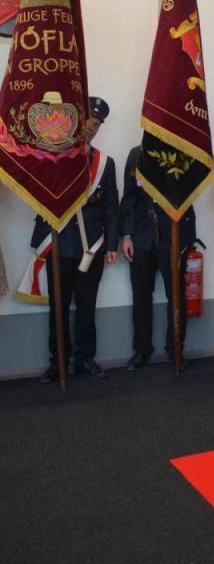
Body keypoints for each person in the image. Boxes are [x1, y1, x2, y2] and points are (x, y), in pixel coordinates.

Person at [35, 97, 119, 383]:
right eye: (89, 122)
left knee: (86, 306)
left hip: (90, 247)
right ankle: (58, 363)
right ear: (77, 122)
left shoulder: (105, 163)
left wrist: (111, 245)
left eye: (97, 125)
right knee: (57, 307)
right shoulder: (54, 157)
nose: (92, 129)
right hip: (59, 242)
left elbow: (111, 207)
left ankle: (85, 359)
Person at [119, 145, 197, 370]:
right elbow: (129, 197)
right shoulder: (136, 154)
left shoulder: (182, 153)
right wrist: (126, 235)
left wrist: (186, 237)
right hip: (141, 236)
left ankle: (176, 350)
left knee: (176, 296)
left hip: (173, 234)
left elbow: (190, 193)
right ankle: (142, 350)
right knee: (141, 296)